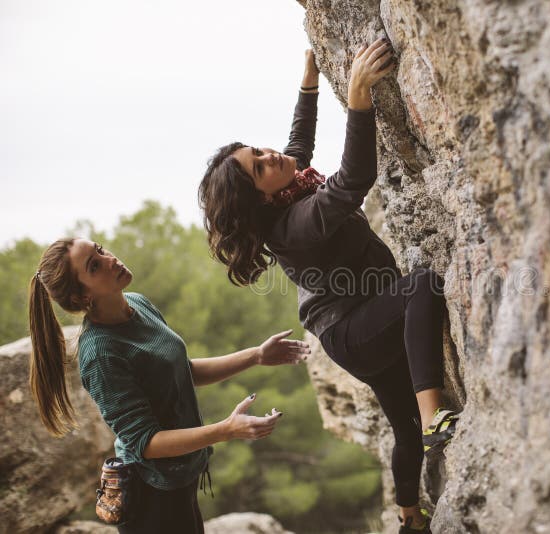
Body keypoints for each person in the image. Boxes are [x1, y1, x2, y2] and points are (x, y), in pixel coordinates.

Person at [198, 38, 459, 533]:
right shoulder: (291, 226)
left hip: (365, 320)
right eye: (259, 167)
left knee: (399, 428)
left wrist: (310, 77)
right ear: (258, 198)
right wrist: (357, 96)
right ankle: (434, 423)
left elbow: (296, 144)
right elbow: (353, 180)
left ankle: (409, 518)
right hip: (351, 331)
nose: (270, 156)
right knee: (424, 284)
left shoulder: (286, 186)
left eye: (257, 151)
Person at [28, 237, 311, 533]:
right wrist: (226, 430)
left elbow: (180, 372)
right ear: (80, 297)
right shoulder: (101, 354)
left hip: (181, 479)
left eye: (100, 249)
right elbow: (145, 444)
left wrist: (256, 356)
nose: (110, 259)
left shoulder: (138, 303)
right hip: (151, 498)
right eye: (95, 266)